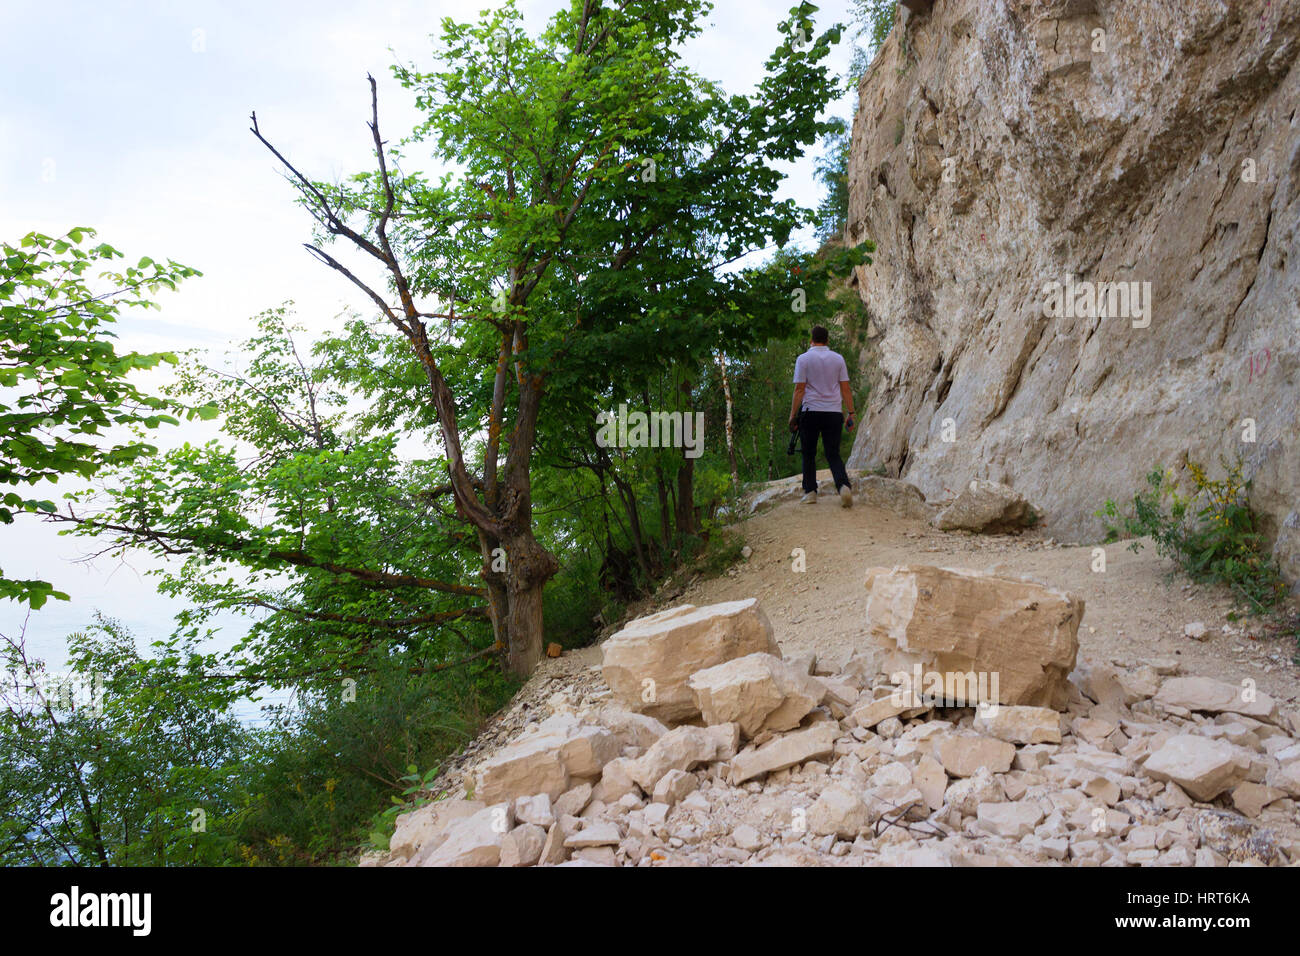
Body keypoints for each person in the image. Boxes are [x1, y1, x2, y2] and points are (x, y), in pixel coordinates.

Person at [788, 325, 855, 506]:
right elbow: (846, 389)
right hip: (833, 412)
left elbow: (799, 389)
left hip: (811, 412)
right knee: (833, 453)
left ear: (812, 339)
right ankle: (843, 487)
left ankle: (810, 492)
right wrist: (851, 412)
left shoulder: (803, 359)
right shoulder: (838, 359)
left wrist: (793, 415)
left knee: (808, 453)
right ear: (827, 340)